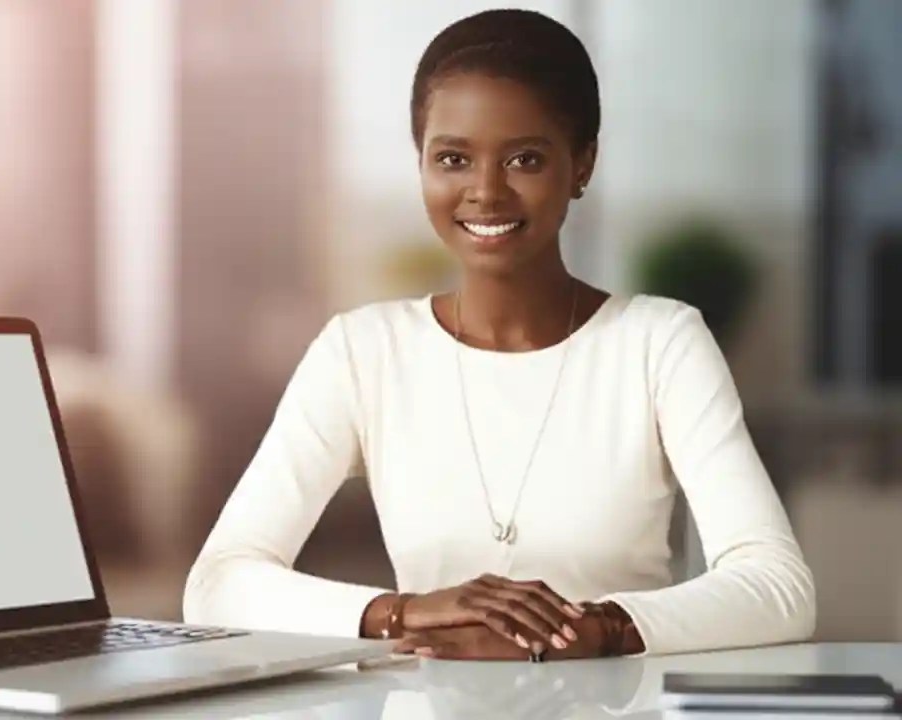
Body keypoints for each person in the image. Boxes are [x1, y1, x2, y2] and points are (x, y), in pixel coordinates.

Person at [182, 8, 815, 660]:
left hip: (620, 703)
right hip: (421, 700)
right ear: (422, 163)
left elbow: (779, 586)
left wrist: (596, 630)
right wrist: (407, 613)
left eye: (525, 159)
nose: (485, 192)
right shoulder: (362, 352)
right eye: (453, 158)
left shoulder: (660, 343)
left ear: (582, 164)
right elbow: (216, 583)